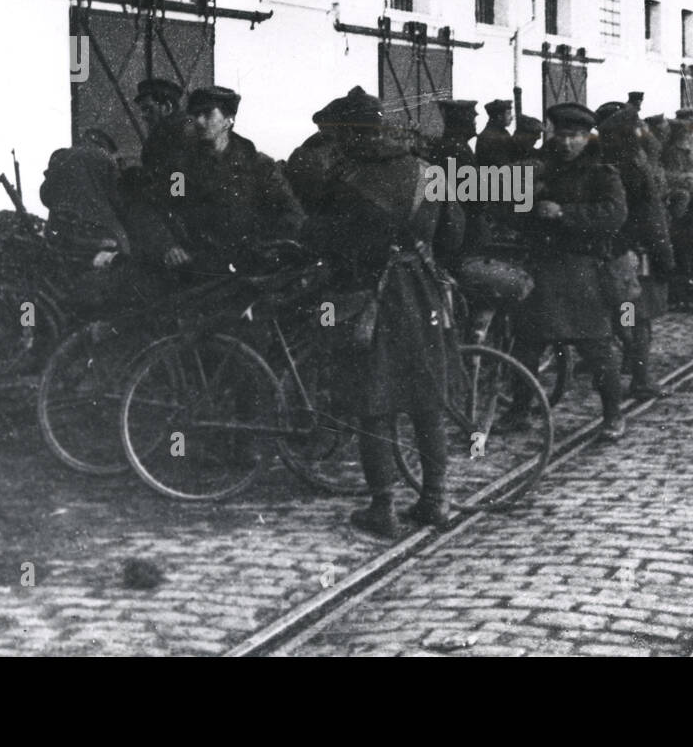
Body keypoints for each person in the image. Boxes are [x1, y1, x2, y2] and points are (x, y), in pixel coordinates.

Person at [301, 87, 465, 537]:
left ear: (351, 135)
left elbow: (325, 242)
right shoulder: (429, 172)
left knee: (375, 405)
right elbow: (453, 237)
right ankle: (436, 500)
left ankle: (384, 509)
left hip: (370, 300)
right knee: (427, 401)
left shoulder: (346, 178)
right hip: (424, 296)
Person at [512, 102, 629, 440]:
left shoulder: (602, 172)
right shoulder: (542, 168)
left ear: (587, 137)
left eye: (574, 137)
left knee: (596, 347)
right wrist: (527, 205)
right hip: (543, 267)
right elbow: (515, 209)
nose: (567, 144)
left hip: (584, 270)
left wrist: (565, 213)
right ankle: (518, 410)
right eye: (561, 136)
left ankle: (613, 415)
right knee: (527, 344)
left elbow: (614, 215)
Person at [146, 86, 304, 273]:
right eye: (195, 115)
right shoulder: (181, 170)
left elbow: (290, 212)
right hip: (201, 267)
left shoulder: (258, 165)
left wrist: (267, 246)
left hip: (252, 266)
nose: (198, 121)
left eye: (207, 114)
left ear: (229, 120)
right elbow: (164, 208)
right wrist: (169, 246)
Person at [598, 105, 674, 401]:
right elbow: (653, 219)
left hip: (613, 251)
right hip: (637, 256)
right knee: (638, 316)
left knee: (625, 312)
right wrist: (666, 258)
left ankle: (630, 359)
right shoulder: (637, 168)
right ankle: (640, 377)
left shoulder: (607, 163)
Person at [39, 127, 131, 265]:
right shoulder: (105, 158)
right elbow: (117, 199)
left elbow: (45, 195)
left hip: (65, 233)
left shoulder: (61, 157)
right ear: (104, 144)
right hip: (100, 230)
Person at [475, 99, 514, 168]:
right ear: (499, 117)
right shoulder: (489, 137)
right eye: (508, 113)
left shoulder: (501, 132)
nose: (511, 118)